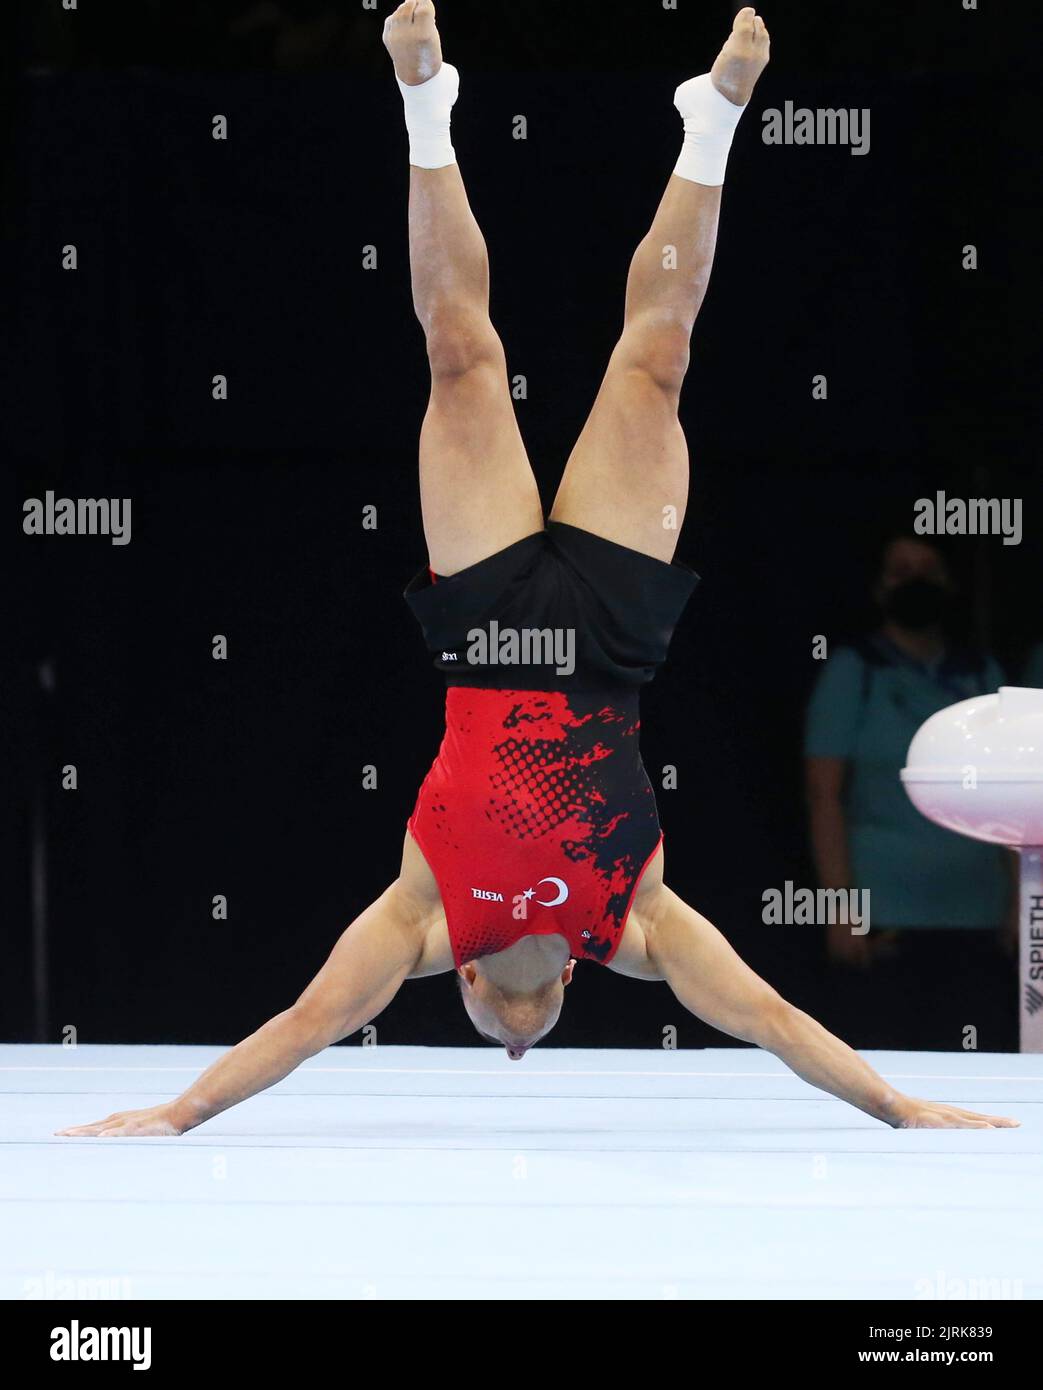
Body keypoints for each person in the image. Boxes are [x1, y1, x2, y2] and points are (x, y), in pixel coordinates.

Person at [58, 6, 1015, 1139]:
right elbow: (766, 1014)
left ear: (460, 980)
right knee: (654, 358)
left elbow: (310, 1019)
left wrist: (178, 1113)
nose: (516, 1006)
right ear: (571, 982)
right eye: (534, 1006)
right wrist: (896, 1106)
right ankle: (708, 124)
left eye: (498, 1008)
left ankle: (426, 107)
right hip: (610, 638)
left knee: (462, 356)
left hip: (484, 623)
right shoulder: (638, 923)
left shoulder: (423, 917)